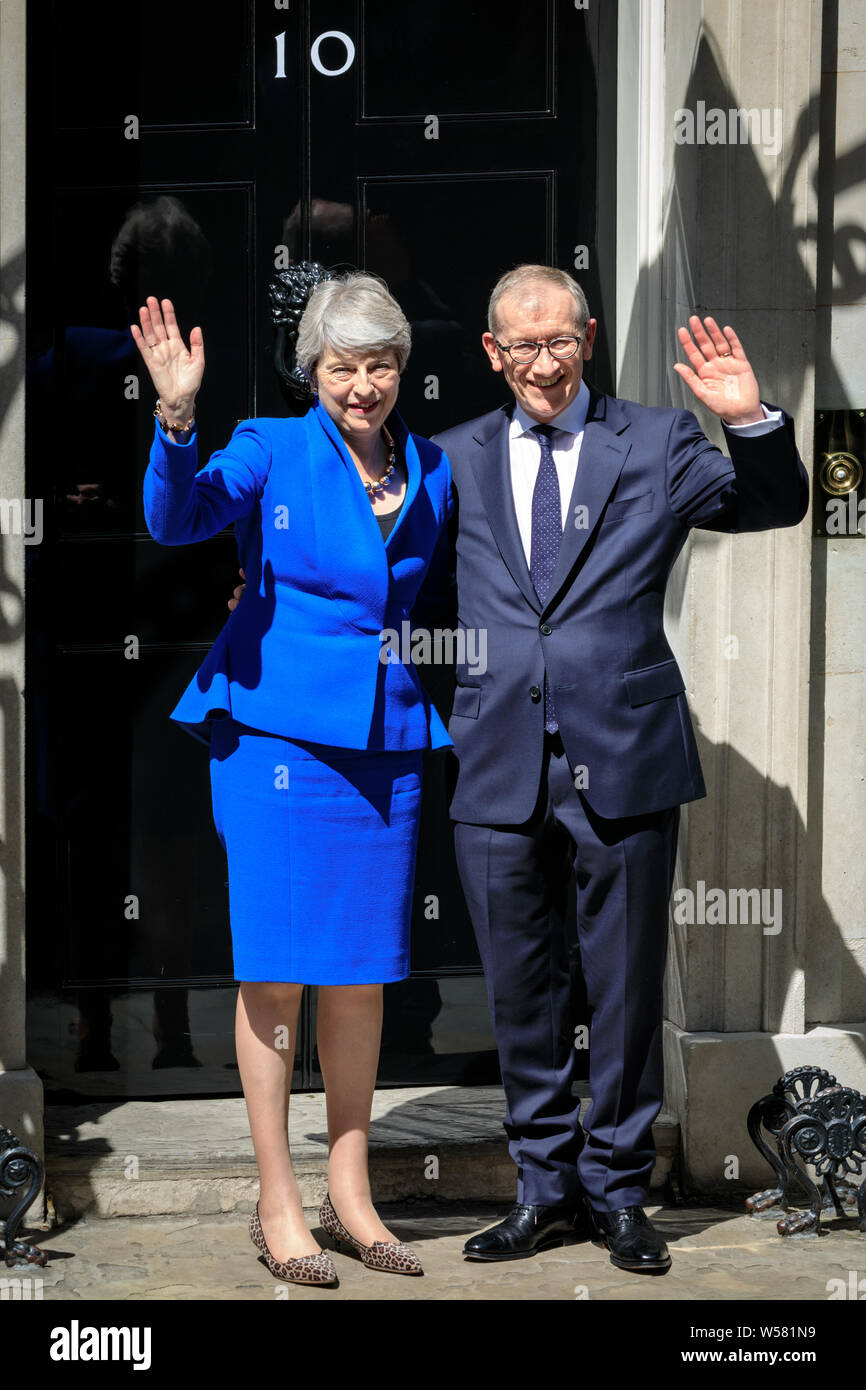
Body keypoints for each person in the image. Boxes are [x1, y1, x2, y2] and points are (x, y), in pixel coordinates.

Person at [427, 264, 809, 1272]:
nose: (542, 364)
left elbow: (770, 506)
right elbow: (395, 585)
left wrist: (750, 418)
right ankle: (542, 1190)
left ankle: (617, 1192)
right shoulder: (450, 457)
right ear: (490, 353)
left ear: (588, 337)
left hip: (626, 759)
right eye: (522, 346)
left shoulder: (657, 441)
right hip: (496, 759)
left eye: (559, 341)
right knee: (519, 991)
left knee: (625, 987)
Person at [136, 272, 453, 1285]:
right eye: (340, 365)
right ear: (309, 369)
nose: (361, 385)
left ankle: (351, 1194)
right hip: (273, 736)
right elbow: (176, 518)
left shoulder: (432, 466)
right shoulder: (271, 448)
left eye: (379, 364)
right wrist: (177, 417)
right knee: (276, 972)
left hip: (384, 735)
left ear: (401, 366)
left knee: (359, 976)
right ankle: (279, 1201)